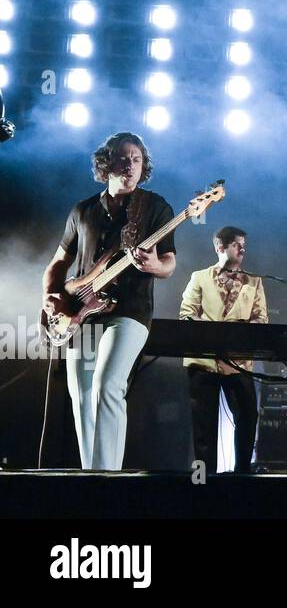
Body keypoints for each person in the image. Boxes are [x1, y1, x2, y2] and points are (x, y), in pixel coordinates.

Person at [42, 132, 176, 470]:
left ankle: (108, 483)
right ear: (108, 161)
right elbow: (59, 261)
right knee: (82, 396)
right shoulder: (83, 210)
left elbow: (169, 262)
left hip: (129, 311)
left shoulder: (155, 207)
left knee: (107, 385)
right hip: (81, 312)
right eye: (124, 157)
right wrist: (52, 298)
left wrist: (155, 265)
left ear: (143, 166)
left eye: (138, 159)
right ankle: (92, 477)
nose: (131, 164)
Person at [178, 226, 268, 474]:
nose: (242, 248)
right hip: (203, 360)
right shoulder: (199, 277)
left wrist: (239, 337)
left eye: (243, 244)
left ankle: (241, 473)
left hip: (238, 361)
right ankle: (206, 482)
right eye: (237, 244)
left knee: (248, 416)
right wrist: (214, 333)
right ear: (220, 247)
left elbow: (261, 318)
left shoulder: (254, 281)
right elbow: (187, 315)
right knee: (204, 424)